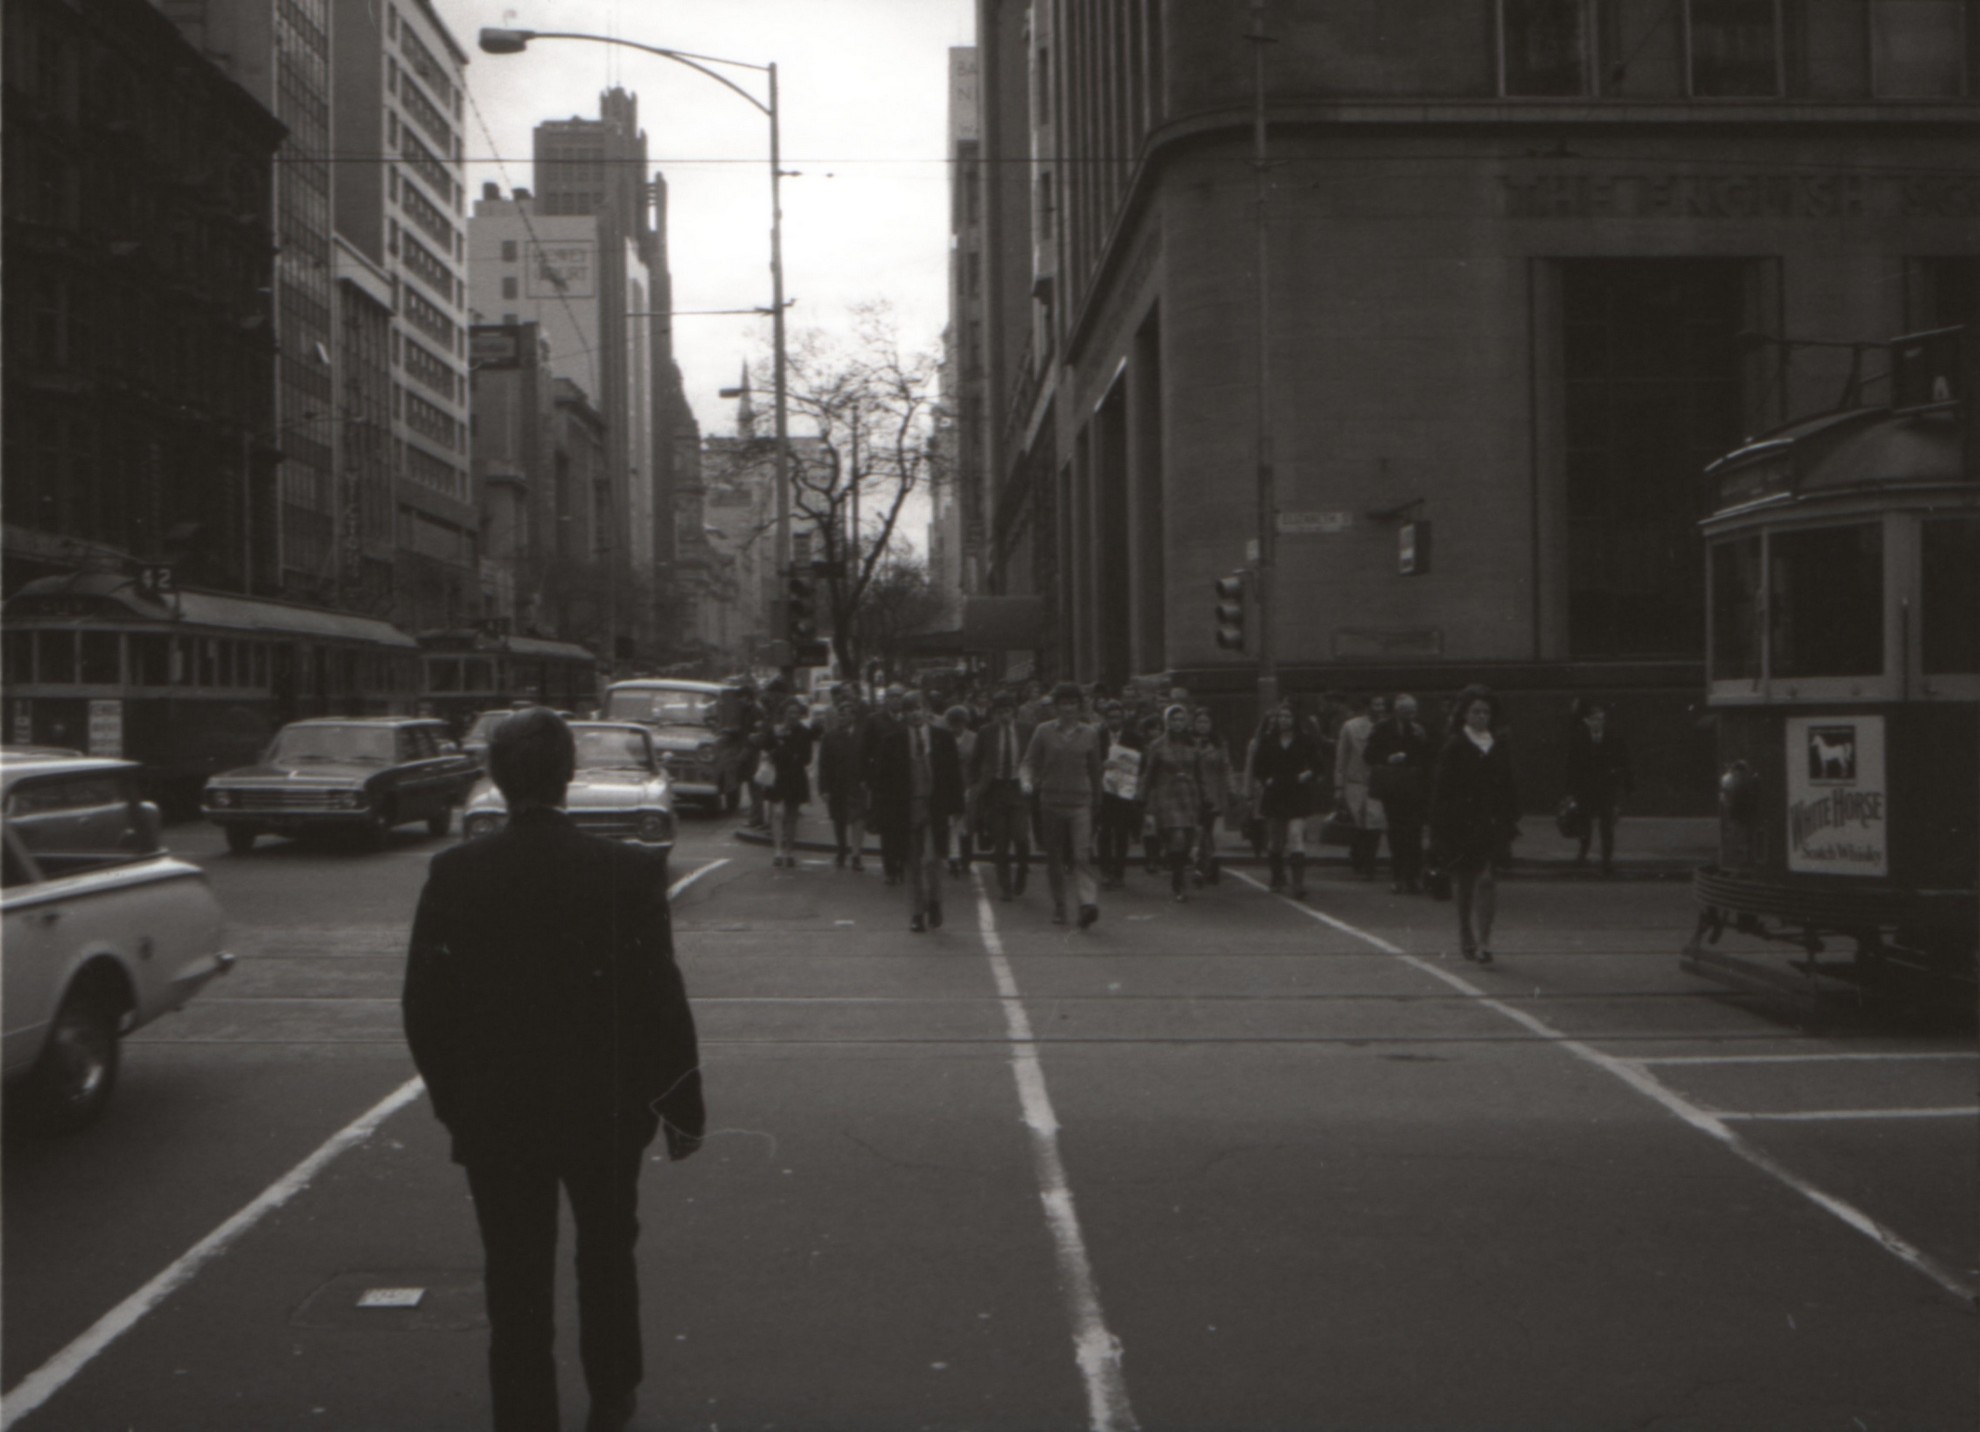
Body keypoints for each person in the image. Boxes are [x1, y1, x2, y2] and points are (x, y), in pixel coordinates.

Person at [404, 708, 703, 1432]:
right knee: (606, 1256)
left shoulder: (456, 872)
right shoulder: (627, 872)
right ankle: (612, 1392)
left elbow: (425, 1005)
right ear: (569, 775)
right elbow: (659, 997)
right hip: (603, 1106)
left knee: (514, 1274)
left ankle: (525, 1412)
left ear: (498, 781)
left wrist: (457, 1105)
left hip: (499, 1115)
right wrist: (680, 1106)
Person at [1429, 686, 1520, 964]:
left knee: (1487, 879)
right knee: (1466, 882)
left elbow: (1509, 784)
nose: (1481, 716)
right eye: (1476, 711)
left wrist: (1510, 816)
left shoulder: (1499, 744)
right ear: (1465, 714)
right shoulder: (1455, 745)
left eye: (1486, 712)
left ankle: (1484, 941)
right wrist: (1439, 827)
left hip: (1492, 822)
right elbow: (1441, 790)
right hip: (1463, 823)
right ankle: (1465, 930)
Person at [868, 693, 966, 932]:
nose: (914, 713)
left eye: (919, 708)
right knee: (912, 862)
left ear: (926, 710)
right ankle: (916, 912)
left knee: (932, 859)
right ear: (904, 713)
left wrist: (957, 808)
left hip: (935, 806)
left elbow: (954, 775)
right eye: (909, 709)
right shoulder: (892, 740)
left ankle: (935, 902)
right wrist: (882, 813)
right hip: (907, 807)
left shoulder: (942, 738)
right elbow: (881, 780)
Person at [1022, 681, 1105, 928]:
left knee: (1081, 854)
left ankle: (1087, 904)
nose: (1068, 709)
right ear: (1056, 707)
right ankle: (1059, 905)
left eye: (1073, 704)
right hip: (1050, 802)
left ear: (1080, 706)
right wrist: (1027, 782)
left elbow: (1095, 770)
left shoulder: (1090, 733)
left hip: (1081, 802)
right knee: (1055, 858)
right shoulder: (1043, 731)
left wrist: (1098, 802)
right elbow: (1029, 762)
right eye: (1063, 704)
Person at [1248, 704, 1321, 898]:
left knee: (1296, 835)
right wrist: (1266, 780)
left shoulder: (1305, 740)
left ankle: (1298, 883)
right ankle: (1277, 875)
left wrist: (1309, 774)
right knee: (1276, 841)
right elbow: (1258, 768)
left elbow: (1318, 764)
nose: (1284, 720)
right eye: (1281, 717)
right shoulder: (1268, 741)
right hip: (1275, 793)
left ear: (1294, 719)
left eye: (1288, 716)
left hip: (1297, 792)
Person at [1365, 694, 1434, 894]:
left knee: (1414, 832)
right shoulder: (1383, 728)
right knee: (1396, 832)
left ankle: (1413, 876)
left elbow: (1437, 752)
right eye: (1405, 712)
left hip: (1417, 786)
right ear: (1396, 711)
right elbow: (1369, 754)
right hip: (1393, 786)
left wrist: (1425, 739)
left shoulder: (1424, 727)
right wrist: (1388, 758)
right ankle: (1398, 876)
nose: (1410, 716)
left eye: (1412, 712)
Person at [971, 691, 1034, 899]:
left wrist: (1033, 781)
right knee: (1001, 840)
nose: (1004, 716)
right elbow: (976, 760)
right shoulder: (985, 732)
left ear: (1014, 711)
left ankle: (1023, 870)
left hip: (1018, 787)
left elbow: (1035, 758)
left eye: (1007, 711)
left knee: (1021, 836)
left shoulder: (1027, 730)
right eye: (999, 712)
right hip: (995, 789)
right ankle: (1005, 885)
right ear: (994, 713)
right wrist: (977, 786)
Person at [1141, 704, 1207, 901]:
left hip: (1188, 795)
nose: (1177, 723)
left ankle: (1178, 867)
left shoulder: (1193, 745)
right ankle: (1179, 883)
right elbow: (1148, 774)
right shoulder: (1157, 746)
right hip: (1167, 796)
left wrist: (1206, 796)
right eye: (1173, 719)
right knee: (1177, 836)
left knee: (1186, 839)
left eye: (1181, 719)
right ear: (1167, 722)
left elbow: (1200, 773)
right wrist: (1142, 797)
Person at [1564, 700, 1633, 875]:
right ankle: (1583, 853)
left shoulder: (1613, 738)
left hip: (1606, 789)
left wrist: (1618, 785)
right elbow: (1572, 766)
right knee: (1585, 824)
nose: (1598, 723)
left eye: (1601, 719)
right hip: (1585, 790)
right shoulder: (1579, 738)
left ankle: (1606, 860)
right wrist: (1572, 792)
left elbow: (1622, 762)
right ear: (1587, 721)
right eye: (1595, 719)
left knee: (1606, 826)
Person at [1333, 694, 1390, 877]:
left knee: (1374, 824)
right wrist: (1339, 787)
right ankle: (1358, 855)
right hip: (1355, 782)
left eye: (1382, 705)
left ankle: (1369, 864)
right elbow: (1342, 758)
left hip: (1378, 781)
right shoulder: (1351, 727)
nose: (1379, 709)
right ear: (1368, 706)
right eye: (1375, 704)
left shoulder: (1388, 727)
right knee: (1358, 823)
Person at [756, 698, 816, 870]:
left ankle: (789, 851)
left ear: (799, 715)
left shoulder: (804, 732)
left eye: (796, 713)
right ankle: (777, 851)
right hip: (777, 776)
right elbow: (766, 749)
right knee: (776, 813)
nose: (792, 716)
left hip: (795, 777)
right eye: (789, 713)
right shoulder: (775, 731)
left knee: (791, 815)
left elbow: (807, 758)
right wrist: (779, 750)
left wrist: (789, 754)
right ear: (783, 714)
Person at [861, 687, 910, 884]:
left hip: (906, 780)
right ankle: (890, 868)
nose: (896, 701)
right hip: (884, 782)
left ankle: (902, 864)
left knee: (904, 826)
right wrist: (866, 777)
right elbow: (865, 750)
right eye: (892, 697)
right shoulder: (875, 721)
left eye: (899, 697)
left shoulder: (908, 719)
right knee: (888, 827)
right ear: (885, 700)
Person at [1094, 701, 1145, 889]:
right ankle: (1105, 871)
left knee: (1122, 831)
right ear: (1105, 719)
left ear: (1123, 718)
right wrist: (1102, 765)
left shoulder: (1133, 737)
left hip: (1124, 789)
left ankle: (1119, 872)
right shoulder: (1098, 737)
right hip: (1104, 789)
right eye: (1111, 717)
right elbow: (1090, 761)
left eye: (1118, 717)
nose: (1114, 721)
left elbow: (1140, 762)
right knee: (1105, 831)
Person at [816, 699, 870, 870]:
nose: (841, 718)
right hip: (837, 784)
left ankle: (856, 854)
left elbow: (868, 760)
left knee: (858, 819)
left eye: (845, 715)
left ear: (853, 717)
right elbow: (823, 764)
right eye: (840, 714)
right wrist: (824, 788)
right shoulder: (829, 737)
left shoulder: (863, 736)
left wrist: (868, 780)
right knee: (839, 819)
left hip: (857, 783)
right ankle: (841, 850)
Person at [1192, 707, 1234, 885]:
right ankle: (1200, 865)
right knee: (1199, 831)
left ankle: (1210, 864)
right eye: (1199, 722)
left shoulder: (1219, 744)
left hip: (1214, 791)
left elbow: (1226, 767)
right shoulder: (1188, 742)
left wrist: (1231, 789)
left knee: (1212, 831)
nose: (1203, 726)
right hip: (1194, 792)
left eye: (1206, 722)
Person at [943, 705, 979, 877]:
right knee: (952, 823)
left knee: (968, 823)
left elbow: (979, 762)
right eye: (953, 723)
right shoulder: (944, 737)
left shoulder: (974, 738)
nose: (957, 726)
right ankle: (953, 858)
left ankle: (966, 858)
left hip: (969, 785)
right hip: (950, 786)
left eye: (960, 722)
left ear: (966, 722)